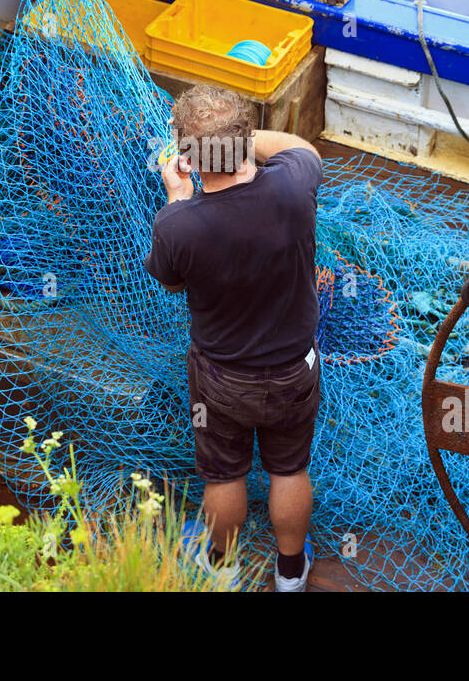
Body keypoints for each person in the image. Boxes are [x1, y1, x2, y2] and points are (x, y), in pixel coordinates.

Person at [143, 84, 323, 592]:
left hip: (222, 378)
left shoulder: (178, 226)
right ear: (245, 143)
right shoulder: (294, 185)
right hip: (294, 369)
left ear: (188, 156)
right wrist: (233, 140)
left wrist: (178, 196)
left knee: (225, 475)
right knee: (290, 469)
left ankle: (221, 567)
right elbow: (300, 148)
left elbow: (173, 280)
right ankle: (290, 576)